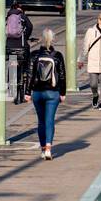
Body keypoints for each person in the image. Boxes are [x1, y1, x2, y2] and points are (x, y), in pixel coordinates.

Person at [28, 28, 67, 160]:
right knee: (50, 120)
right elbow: (62, 75)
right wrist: (62, 92)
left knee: (41, 121)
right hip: (53, 92)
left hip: (38, 92)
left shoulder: (34, 55)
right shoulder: (57, 55)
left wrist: (27, 92)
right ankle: (49, 148)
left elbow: (29, 75)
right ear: (53, 39)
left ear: (41, 39)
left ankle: (43, 148)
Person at [5, 2, 34, 104]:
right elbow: (30, 27)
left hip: (10, 47)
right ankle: (24, 87)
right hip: (21, 47)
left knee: (12, 65)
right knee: (25, 66)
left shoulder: (7, 17)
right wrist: (25, 37)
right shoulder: (22, 16)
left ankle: (11, 88)